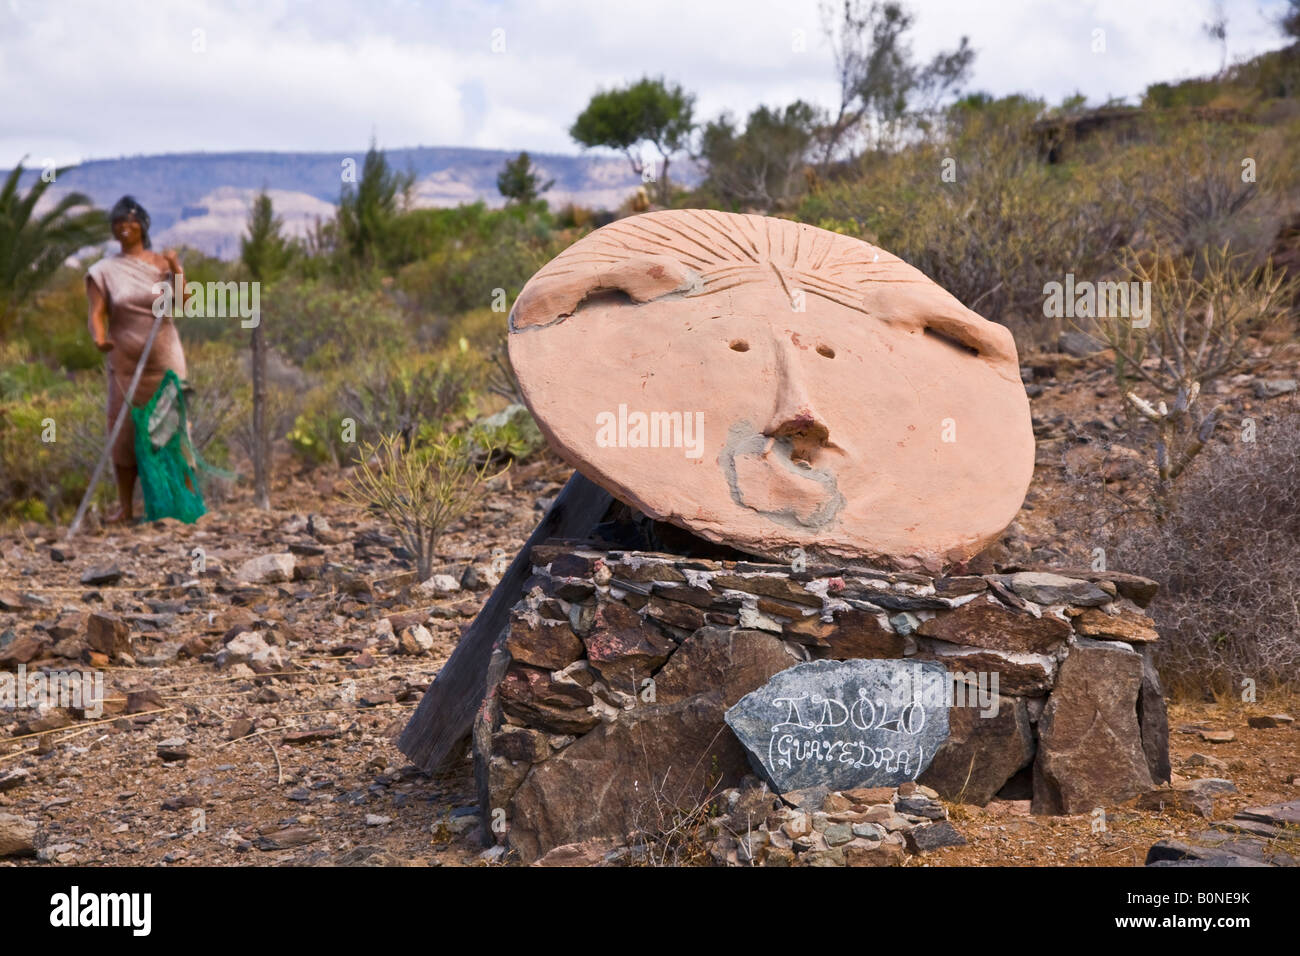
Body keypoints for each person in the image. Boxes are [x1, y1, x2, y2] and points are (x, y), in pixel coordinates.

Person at [85, 196, 189, 523]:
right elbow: (97, 313)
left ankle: (182, 501)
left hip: (164, 358)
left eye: (130, 221)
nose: (124, 228)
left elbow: (184, 304)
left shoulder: (160, 265)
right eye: (118, 222)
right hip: (125, 363)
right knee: (123, 428)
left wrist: (177, 270)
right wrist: (99, 338)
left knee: (172, 425)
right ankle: (126, 508)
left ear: (142, 225)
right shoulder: (104, 271)